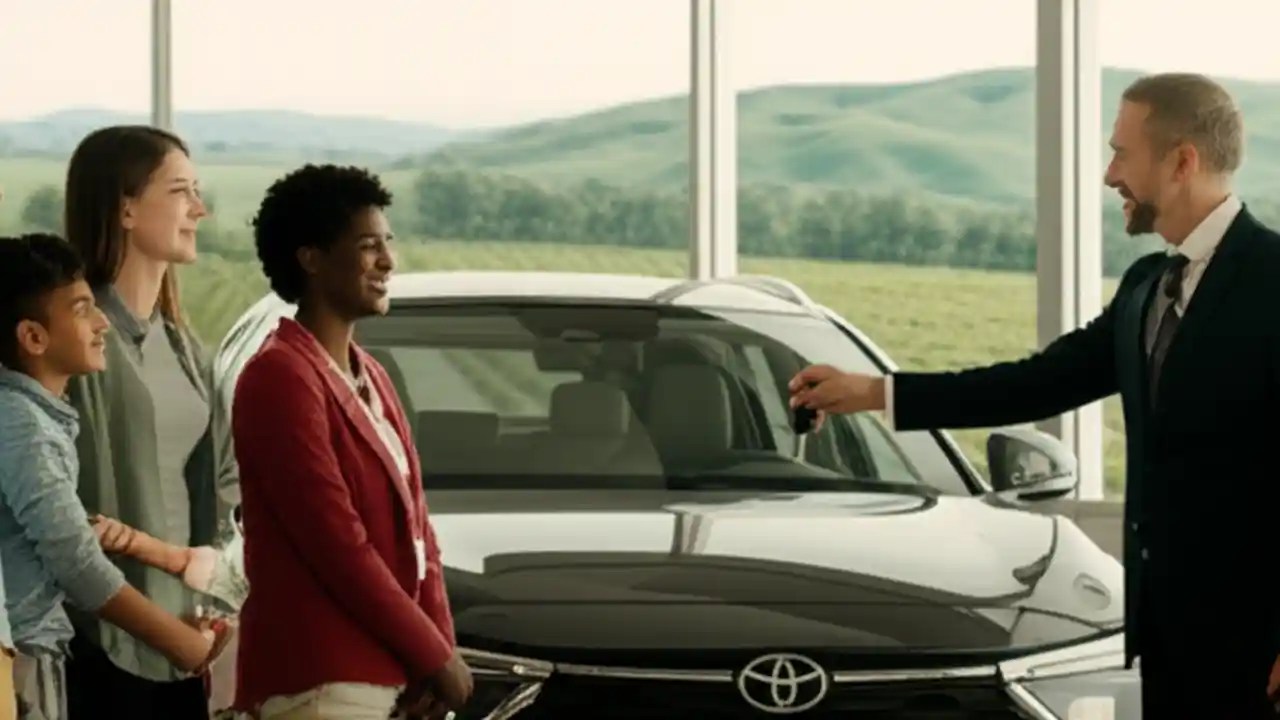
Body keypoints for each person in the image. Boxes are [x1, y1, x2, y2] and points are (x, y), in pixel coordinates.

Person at [788, 72, 1280, 717]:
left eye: (1122, 153)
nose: (1110, 176)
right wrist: (876, 392)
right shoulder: (1144, 285)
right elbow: (1039, 381)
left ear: (1182, 160)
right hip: (1169, 640)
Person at [230, 164, 472, 719]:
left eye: (388, 243)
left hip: (386, 678)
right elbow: (338, 546)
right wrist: (434, 656)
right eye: (368, 246)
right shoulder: (279, 377)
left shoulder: (373, 376)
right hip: (321, 682)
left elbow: (418, 536)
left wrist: (435, 654)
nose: (388, 261)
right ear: (310, 258)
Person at [0, 233, 230, 719]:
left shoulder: (37, 416)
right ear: (34, 337)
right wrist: (183, 646)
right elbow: (75, 562)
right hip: (20, 660)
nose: (102, 321)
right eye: (83, 309)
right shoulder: (22, 423)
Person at [60, 125, 242, 718]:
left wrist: (216, 598)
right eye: (181, 191)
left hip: (183, 641)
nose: (200, 209)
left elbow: (220, 490)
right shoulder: (69, 344)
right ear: (126, 208)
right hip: (91, 644)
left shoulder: (186, 349)